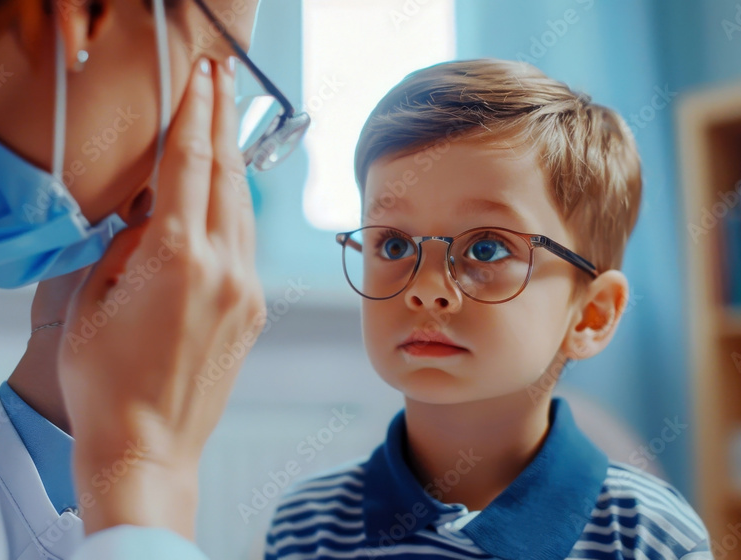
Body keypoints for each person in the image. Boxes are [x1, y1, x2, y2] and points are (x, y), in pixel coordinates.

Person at [0, 0, 308, 557]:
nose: (154, 194)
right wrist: (147, 472)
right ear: (84, 14)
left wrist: (59, 386)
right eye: (205, 80)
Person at [262, 59, 714, 559]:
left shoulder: (650, 534)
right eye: (393, 246)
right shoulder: (308, 525)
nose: (426, 290)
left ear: (591, 314)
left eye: (487, 249)